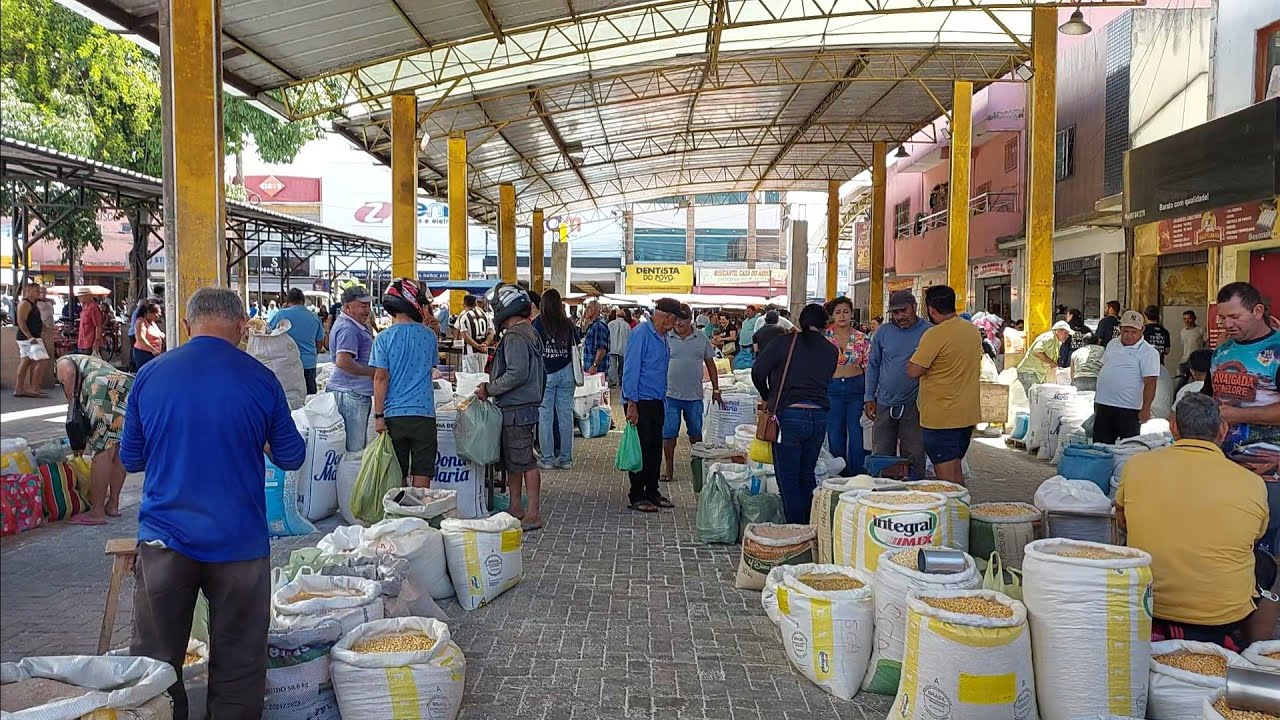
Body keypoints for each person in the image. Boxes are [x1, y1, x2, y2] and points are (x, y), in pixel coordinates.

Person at [121, 287, 305, 718]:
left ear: (186, 326)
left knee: (155, 668)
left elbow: (131, 458)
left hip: (165, 543)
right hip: (239, 546)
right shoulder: (261, 379)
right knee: (240, 666)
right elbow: (292, 455)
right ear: (242, 328)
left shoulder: (150, 375)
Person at [1116, 393, 1277, 648]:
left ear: (1174, 427)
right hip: (1222, 616)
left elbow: (1122, 521)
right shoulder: (1252, 482)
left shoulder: (1137, 465)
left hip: (1147, 603)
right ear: (1222, 430)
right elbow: (1255, 537)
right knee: (1268, 565)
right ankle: (1254, 652)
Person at [753, 304, 839, 523]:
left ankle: (796, 529)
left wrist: (768, 395)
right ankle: (810, 525)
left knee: (788, 478)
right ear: (826, 325)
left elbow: (758, 372)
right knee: (806, 474)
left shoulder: (784, 343)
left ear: (800, 321)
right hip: (819, 417)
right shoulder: (831, 350)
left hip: (789, 416)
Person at [476, 284, 546, 531]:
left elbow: (516, 373)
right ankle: (516, 507)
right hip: (522, 408)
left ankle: (533, 513)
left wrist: (490, 388)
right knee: (515, 462)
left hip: (516, 410)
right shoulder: (529, 332)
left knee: (525, 462)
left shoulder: (515, 337)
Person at [907, 285, 982, 486]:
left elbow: (913, 371)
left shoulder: (935, 335)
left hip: (941, 416)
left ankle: (957, 515)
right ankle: (962, 513)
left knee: (948, 481)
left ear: (931, 309)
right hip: (966, 415)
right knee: (955, 472)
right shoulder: (972, 330)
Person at [370, 279, 438, 489]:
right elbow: (430, 367)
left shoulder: (383, 338)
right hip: (424, 415)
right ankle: (420, 516)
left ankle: (398, 518)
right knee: (422, 470)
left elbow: (380, 378)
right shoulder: (430, 336)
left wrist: (378, 416)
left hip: (394, 416)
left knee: (396, 473)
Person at [52, 353, 132, 526]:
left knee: (103, 449)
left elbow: (69, 372)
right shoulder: (88, 360)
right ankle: (113, 504)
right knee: (118, 446)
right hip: (125, 384)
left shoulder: (61, 361)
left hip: (102, 387)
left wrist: (72, 404)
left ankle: (96, 512)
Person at [622, 298, 683, 513]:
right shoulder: (641, 334)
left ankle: (652, 491)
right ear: (664, 316)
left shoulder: (664, 337)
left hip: (657, 400)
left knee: (655, 448)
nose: (674, 325)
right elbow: (631, 369)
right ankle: (637, 494)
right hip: (640, 401)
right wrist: (631, 403)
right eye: (673, 319)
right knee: (643, 449)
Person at [1203, 281, 1280, 451]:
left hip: (1269, 465)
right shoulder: (1222, 350)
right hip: (1221, 459)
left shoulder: (1277, 351)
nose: (1227, 324)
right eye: (1222, 318)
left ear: (1258, 311)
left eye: (1235, 317)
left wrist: (1239, 415)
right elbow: (1208, 394)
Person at [864, 290, 931, 477]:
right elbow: (873, 365)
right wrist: (869, 397)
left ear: (915, 307)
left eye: (904, 311)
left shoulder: (929, 332)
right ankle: (884, 497)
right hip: (884, 403)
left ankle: (914, 494)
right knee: (882, 454)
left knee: (915, 454)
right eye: (895, 313)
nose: (900, 316)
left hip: (915, 405)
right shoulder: (883, 332)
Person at [662, 304, 721, 482]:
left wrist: (716, 389)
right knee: (669, 434)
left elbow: (711, 364)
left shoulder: (701, 338)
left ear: (691, 319)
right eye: (677, 319)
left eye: (683, 319)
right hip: (669, 396)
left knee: (696, 434)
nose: (679, 323)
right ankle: (668, 469)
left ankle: (698, 468)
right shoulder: (666, 337)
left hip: (694, 397)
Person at [1094, 310, 1161, 444]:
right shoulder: (1112, 344)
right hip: (1104, 404)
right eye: (1126, 331)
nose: (1129, 336)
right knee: (1100, 446)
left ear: (1142, 330)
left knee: (1128, 447)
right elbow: (1106, 367)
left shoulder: (1149, 352)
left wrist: (1146, 409)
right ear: (1120, 329)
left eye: (1133, 332)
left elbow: (1150, 383)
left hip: (1129, 409)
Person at [533, 289, 580, 470]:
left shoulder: (538, 323)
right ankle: (566, 458)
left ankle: (547, 458)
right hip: (567, 372)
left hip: (546, 374)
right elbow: (576, 343)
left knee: (544, 415)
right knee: (565, 415)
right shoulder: (567, 323)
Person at [825, 297, 872, 476]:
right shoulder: (825, 337)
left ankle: (857, 475)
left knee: (856, 433)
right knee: (835, 433)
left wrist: (870, 395)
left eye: (845, 311)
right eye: (838, 312)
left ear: (852, 313)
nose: (842, 316)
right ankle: (838, 475)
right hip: (832, 389)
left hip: (856, 388)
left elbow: (869, 367)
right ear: (833, 315)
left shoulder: (862, 338)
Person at [327, 286, 376, 453]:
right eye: (363, 306)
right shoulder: (349, 328)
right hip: (351, 394)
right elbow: (343, 361)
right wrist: (371, 372)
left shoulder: (353, 325)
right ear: (347, 307)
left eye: (368, 306)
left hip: (351, 392)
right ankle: (351, 479)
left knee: (353, 447)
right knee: (354, 450)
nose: (367, 310)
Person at [269, 288, 327, 395]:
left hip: (287, 362)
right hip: (309, 362)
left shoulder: (281, 315)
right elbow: (319, 342)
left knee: (289, 396)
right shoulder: (314, 317)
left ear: (288, 301)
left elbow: (269, 333)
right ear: (303, 300)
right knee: (310, 397)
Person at [1015, 320, 1071, 396]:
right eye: (1065, 333)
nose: (1067, 336)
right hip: (1029, 372)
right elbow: (1037, 351)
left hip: (1036, 374)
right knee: (1036, 399)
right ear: (1058, 331)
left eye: (1068, 334)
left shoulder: (1057, 342)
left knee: (1038, 399)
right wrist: (1051, 363)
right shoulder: (1049, 338)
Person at [13, 282, 49, 398]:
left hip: (30, 337)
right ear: (28, 291)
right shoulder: (25, 304)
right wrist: (30, 337)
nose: (39, 293)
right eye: (36, 291)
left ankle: (19, 388)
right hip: (29, 338)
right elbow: (21, 321)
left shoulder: (33, 304)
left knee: (26, 361)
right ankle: (34, 388)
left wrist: (44, 327)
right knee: (42, 360)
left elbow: (33, 320)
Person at [458, 294, 492, 374]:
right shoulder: (485, 316)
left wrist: (477, 346)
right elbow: (491, 332)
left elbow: (465, 336)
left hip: (470, 353)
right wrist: (485, 344)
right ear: (475, 303)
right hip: (483, 352)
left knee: (471, 379)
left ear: (464, 304)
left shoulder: (464, 317)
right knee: (481, 376)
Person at [131, 300, 165, 370]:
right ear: (149, 313)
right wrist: (153, 350)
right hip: (144, 353)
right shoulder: (141, 321)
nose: (158, 317)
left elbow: (159, 333)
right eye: (156, 315)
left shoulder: (152, 323)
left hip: (153, 353)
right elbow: (140, 338)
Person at [581, 299, 610, 377]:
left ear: (597, 310)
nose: (586, 310)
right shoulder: (593, 325)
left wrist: (594, 365)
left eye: (589, 308)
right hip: (591, 369)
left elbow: (601, 349)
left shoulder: (599, 326)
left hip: (596, 371)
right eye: (586, 307)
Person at [607, 307, 632, 387]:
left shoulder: (610, 324)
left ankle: (613, 381)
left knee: (612, 365)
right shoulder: (627, 326)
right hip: (623, 349)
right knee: (622, 366)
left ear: (616, 316)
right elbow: (630, 338)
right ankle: (622, 382)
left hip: (612, 348)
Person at [76, 288, 104, 356]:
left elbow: (98, 325)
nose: (79, 298)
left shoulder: (93, 308)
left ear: (88, 296)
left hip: (90, 342)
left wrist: (96, 341)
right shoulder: (84, 307)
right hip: (83, 341)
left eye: (81, 296)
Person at [1179, 310, 1207, 374]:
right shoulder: (1182, 331)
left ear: (1194, 318)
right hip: (1185, 360)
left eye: (1189, 318)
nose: (1187, 321)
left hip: (1197, 360)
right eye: (1185, 319)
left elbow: (1206, 343)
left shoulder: (1200, 330)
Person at [734, 304, 761, 369]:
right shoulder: (745, 321)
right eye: (746, 311)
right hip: (742, 344)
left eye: (749, 311)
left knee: (750, 362)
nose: (747, 313)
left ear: (754, 312)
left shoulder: (757, 320)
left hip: (750, 344)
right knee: (740, 361)